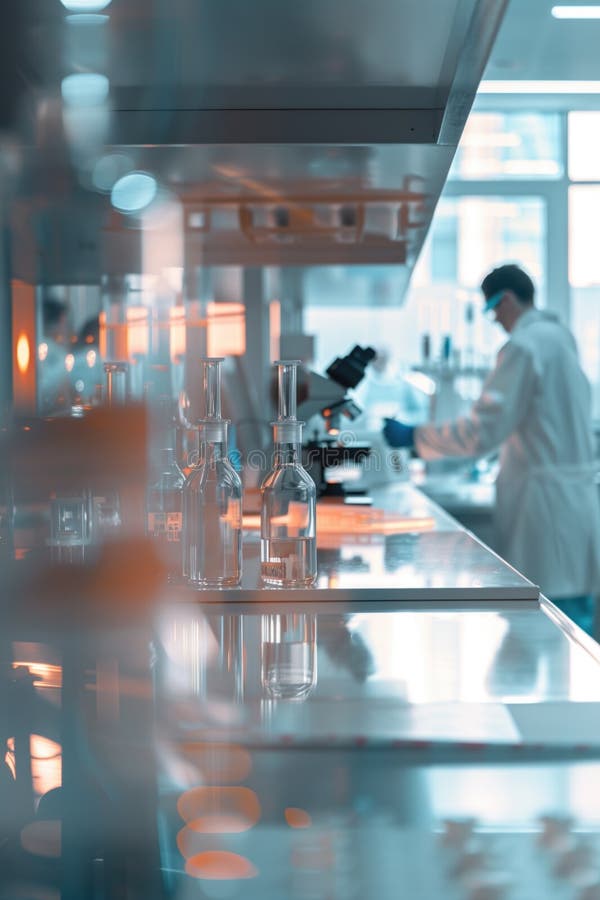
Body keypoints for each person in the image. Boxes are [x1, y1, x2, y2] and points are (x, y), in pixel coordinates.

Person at [383, 263, 600, 631]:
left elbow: (482, 430)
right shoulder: (560, 339)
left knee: (546, 629)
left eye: (494, 309)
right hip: (574, 502)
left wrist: (416, 436)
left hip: (544, 509)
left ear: (509, 299)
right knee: (573, 621)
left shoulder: (523, 347)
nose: (496, 320)